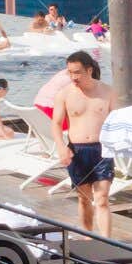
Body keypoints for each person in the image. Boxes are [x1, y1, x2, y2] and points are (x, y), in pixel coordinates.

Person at [51, 51, 117, 237]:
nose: (73, 77)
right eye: (70, 72)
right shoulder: (64, 94)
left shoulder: (107, 92)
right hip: (77, 150)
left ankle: (107, 242)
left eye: (77, 72)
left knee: (102, 199)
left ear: (89, 70)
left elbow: (117, 121)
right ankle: (89, 237)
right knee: (83, 199)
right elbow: (56, 123)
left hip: (102, 150)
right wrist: (60, 146)